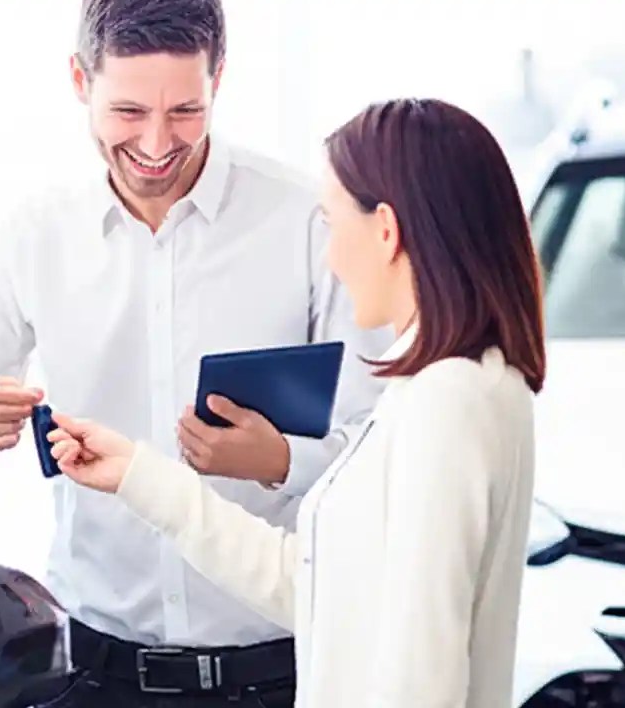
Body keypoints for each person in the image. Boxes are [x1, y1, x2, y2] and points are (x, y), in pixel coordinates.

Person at [0, 0, 389, 705]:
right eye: (128, 112)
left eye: (185, 111)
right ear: (79, 80)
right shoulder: (31, 239)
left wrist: (282, 461)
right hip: (93, 677)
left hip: (284, 675)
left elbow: (383, 457)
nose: (157, 145)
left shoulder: (309, 222)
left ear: (218, 79)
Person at [45, 98, 547, 708]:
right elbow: (315, 589)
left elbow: (422, 674)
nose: (331, 257)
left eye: (333, 225)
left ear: (385, 230)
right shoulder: (459, 387)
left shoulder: (447, 403)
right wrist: (137, 474)